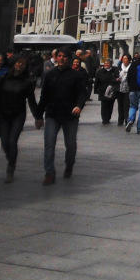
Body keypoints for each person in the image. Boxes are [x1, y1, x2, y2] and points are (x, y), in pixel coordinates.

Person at [38, 49, 89, 184]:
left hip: (70, 115)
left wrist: (79, 106)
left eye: (64, 56)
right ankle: (49, 172)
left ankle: (69, 163)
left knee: (71, 144)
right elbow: (44, 96)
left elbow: (82, 93)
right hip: (52, 114)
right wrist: (38, 116)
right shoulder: (50, 75)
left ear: (69, 59)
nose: (61, 58)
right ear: (56, 57)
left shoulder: (75, 75)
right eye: (59, 56)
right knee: (49, 143)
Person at [0, 55, 42, 183]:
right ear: (14, 63)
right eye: (18, 63)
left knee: (12, 140)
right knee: (4, 143)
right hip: (4, 114)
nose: (20, 65)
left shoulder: (27, 82)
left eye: (23, 64)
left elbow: (32, 101)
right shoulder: (4, 79)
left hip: (18, 115)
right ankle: (11, 159)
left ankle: (10, 168)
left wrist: (38, 117)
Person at [94, 58, 119, 125]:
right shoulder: (100, 71)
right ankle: (104, 119)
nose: (106, 65)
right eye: (105, 63)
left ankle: (108, 118)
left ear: (111, 64)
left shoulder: (114, 71)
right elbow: (97, 81)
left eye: (108, 63)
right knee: (104, 105)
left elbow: (117, 79)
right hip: (103, 90)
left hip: (111, 91)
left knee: (110, 105)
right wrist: (96, 90)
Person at [115, 54, 132, 127]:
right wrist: (116, 79)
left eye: (126, 58)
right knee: (120, 105)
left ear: (129, 60)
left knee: (126, 105)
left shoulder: (131, 67)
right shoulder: (119, 67)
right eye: (123, 58)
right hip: (119, 88)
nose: (124, 60)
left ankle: (126, 120)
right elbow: (115, 75)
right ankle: (120, 120)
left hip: (128, 89)